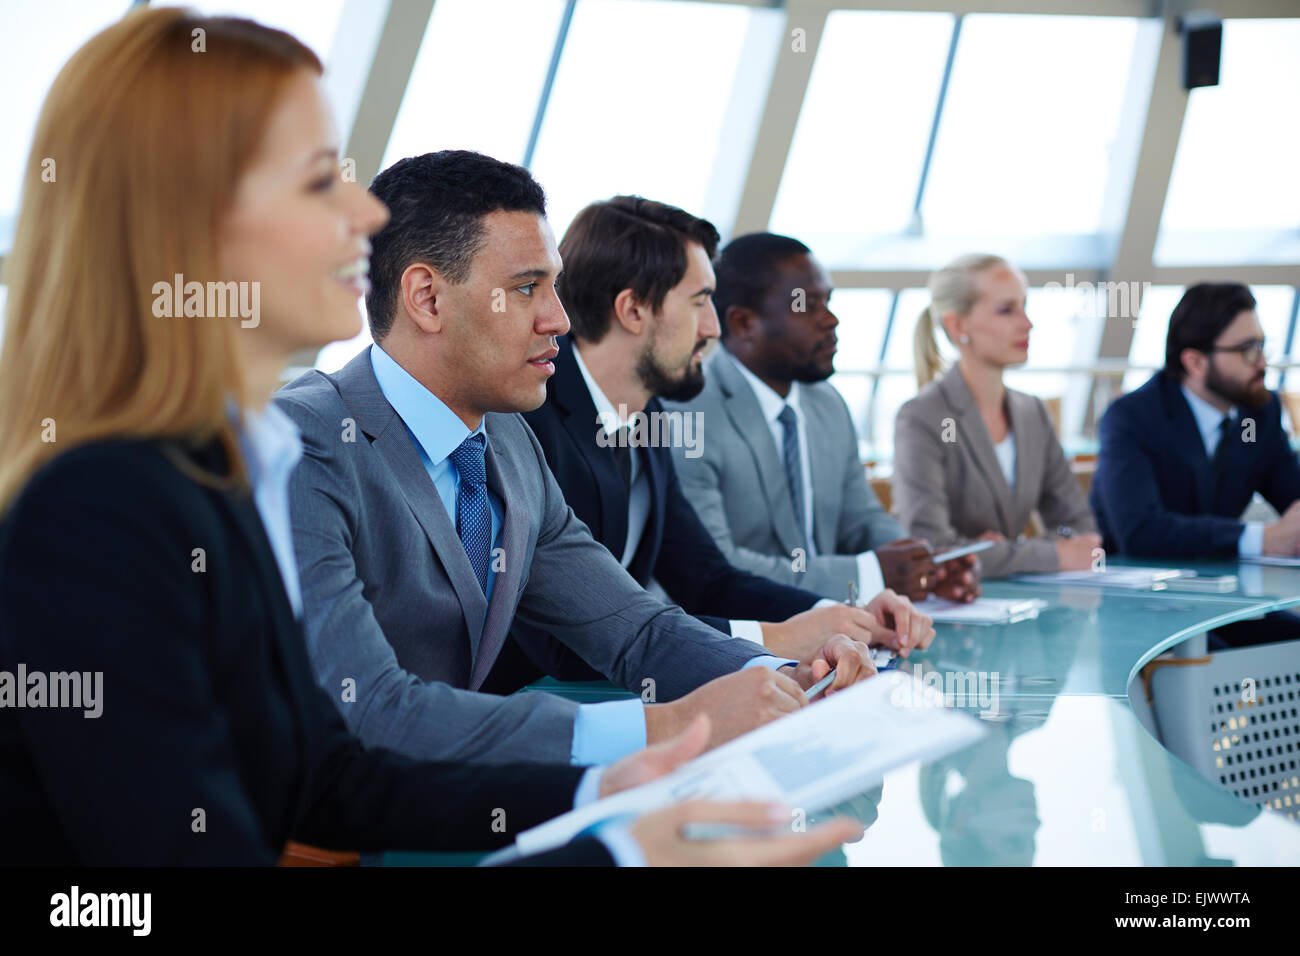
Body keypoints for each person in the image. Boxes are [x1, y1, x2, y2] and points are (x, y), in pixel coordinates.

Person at [0, 8, 862, 866]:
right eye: (319, 180)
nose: (362, 212)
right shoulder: (111, 508)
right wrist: (623, 839)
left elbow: (326, 775)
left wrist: (622, 781)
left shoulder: (249, 464)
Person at [275, 152, 876, 768]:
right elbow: (373, 709)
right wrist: (663, 726)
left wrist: (783, 676)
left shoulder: (507, 441)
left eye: (554, 286)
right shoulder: (305, 445)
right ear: (427, 298)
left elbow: (634, 628)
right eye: (526, 288)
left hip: (464, 793)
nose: (559, 319)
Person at [486, 196, 933, 692]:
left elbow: (705, 578)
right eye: (700, 302)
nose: (714, 328)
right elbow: (566, 643)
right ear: (633, 310)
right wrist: (773, 638)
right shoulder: (528, 421)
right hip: (526, 707)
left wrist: (838, 616)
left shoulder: (645, 413)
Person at [663, 232, 979, 602]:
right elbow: (717, 567)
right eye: (807, 306)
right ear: (744, 323)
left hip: (844, 622)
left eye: (828, 301)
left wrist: (922, 564)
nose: (830, 320)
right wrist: (868, 575)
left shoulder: (827, 403)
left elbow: (861, 519)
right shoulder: (687, 414)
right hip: (750, 628)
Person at [892, 254, 1100, 578]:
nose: (1027, 323)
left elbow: (1079, 529)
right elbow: (931, 547)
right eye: (1007, 310)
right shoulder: (923, 417)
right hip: (953, 603)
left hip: (1020, 597)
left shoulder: (1032, 413)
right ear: (957, 325)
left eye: (1024, 306)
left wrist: (1002, 553)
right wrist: (1051, 555)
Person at [1092, 282, 1300, 560]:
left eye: (1262, 346)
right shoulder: (1132, 418)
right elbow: (1140, 532)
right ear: (1195, 362)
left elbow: (1292, 491)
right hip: (1134, 580)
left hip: (1224, 579)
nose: (1262, 363)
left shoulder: (1258, 413)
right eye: (1248, 349)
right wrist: (1262, 539)